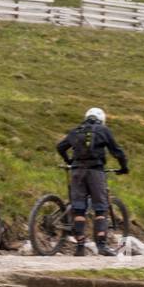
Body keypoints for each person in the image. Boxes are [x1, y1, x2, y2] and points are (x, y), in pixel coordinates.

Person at [56, 107, 129, 257]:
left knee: (78, 208)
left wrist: (69, 160)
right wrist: (123, 167)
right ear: (102, 119)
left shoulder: (76, 130)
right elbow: (117, 151)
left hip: (76, 171)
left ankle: (80, 247)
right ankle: (101, 246)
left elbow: (60, 147)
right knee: (101, 208)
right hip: (95, 171)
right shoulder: (103, 130)